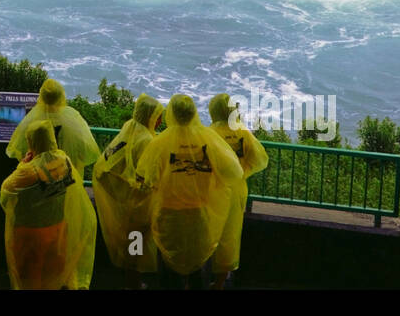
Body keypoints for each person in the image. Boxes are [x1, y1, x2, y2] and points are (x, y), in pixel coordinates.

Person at [136, 94, 243, 288]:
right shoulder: (209, 140)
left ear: (171, 114)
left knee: (169, 266)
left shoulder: (159, 143)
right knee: (199, 265)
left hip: (168, 216)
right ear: (194, 112)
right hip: (200, 214)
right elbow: (234, 172)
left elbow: (147, 178)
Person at [5, 78, 100, 288]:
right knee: (63, 247)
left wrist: (27, 165)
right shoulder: (73, 119)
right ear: (62, 97)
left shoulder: (31, 120)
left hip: (33, 208)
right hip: (65, 194)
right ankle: (65, 280)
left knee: (33, 267)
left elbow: (15, 153)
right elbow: (90, 152)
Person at [93, 93, 164, 289]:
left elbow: (105, 165)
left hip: (127, 202)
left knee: (132, 244)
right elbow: (149, 175)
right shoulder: (147, 140)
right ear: (149, 116)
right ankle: (132, 283)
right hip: (139, 205)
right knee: (137, 245)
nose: (160, 120)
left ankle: (130, 279)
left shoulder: (130, 128)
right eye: (158, 116)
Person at [208, 92, 269, 288]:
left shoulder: (208, 133)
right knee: (230, 235)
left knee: (208, 232)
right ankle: (219, 283)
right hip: (235, 190)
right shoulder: (242, 132)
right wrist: (242, 172)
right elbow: (260, 160)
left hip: (212, 190)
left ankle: (199, 278)